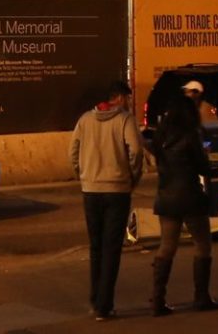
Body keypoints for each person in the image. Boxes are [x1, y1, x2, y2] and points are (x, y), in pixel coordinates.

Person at [70, 80, 145, 320]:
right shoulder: (125, 120)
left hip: (90, 190)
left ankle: (95, 300)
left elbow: (72, 151)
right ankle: (105, 304)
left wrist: (82, 175)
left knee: (96, 246)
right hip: (117, 190)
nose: (129, 102)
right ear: (120, 98)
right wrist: (132, 177)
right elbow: (136, 151)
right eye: (128, 98)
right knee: (112, 248)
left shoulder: (84, 120)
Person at [148, 94, 218, 316]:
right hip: (191, 198)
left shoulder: (160, 138)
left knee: (167, 247)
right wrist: (211, 162)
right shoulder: (191, 137)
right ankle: (201, 298)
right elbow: (203, 168)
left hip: (166, 198)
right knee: (202, 245)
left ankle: (158, 300)